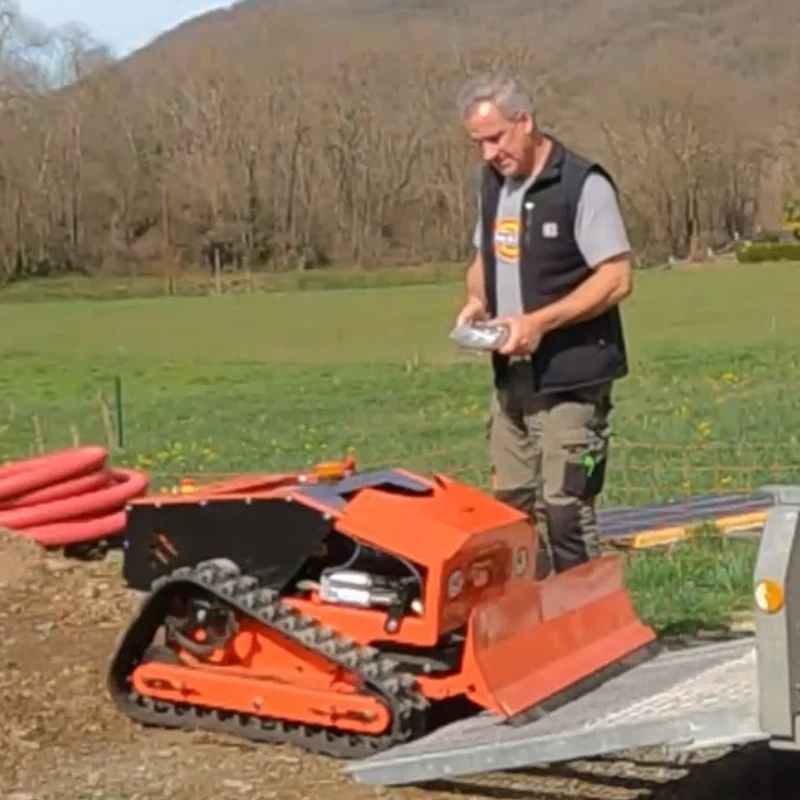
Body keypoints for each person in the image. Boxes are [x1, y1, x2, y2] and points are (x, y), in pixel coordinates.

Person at [454, 73, 634, 579]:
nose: (489, 153)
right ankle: (532, 624)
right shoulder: (493, 185)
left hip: (572, 375)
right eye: (479, 144)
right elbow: (483, 258)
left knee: (565, 508)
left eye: (497, 138)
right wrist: (475, 299)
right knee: (510, 509)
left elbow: (617, 278)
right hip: (511, 374)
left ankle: (586, 625)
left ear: (525, 122)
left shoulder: (582, 185)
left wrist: (540, 322)